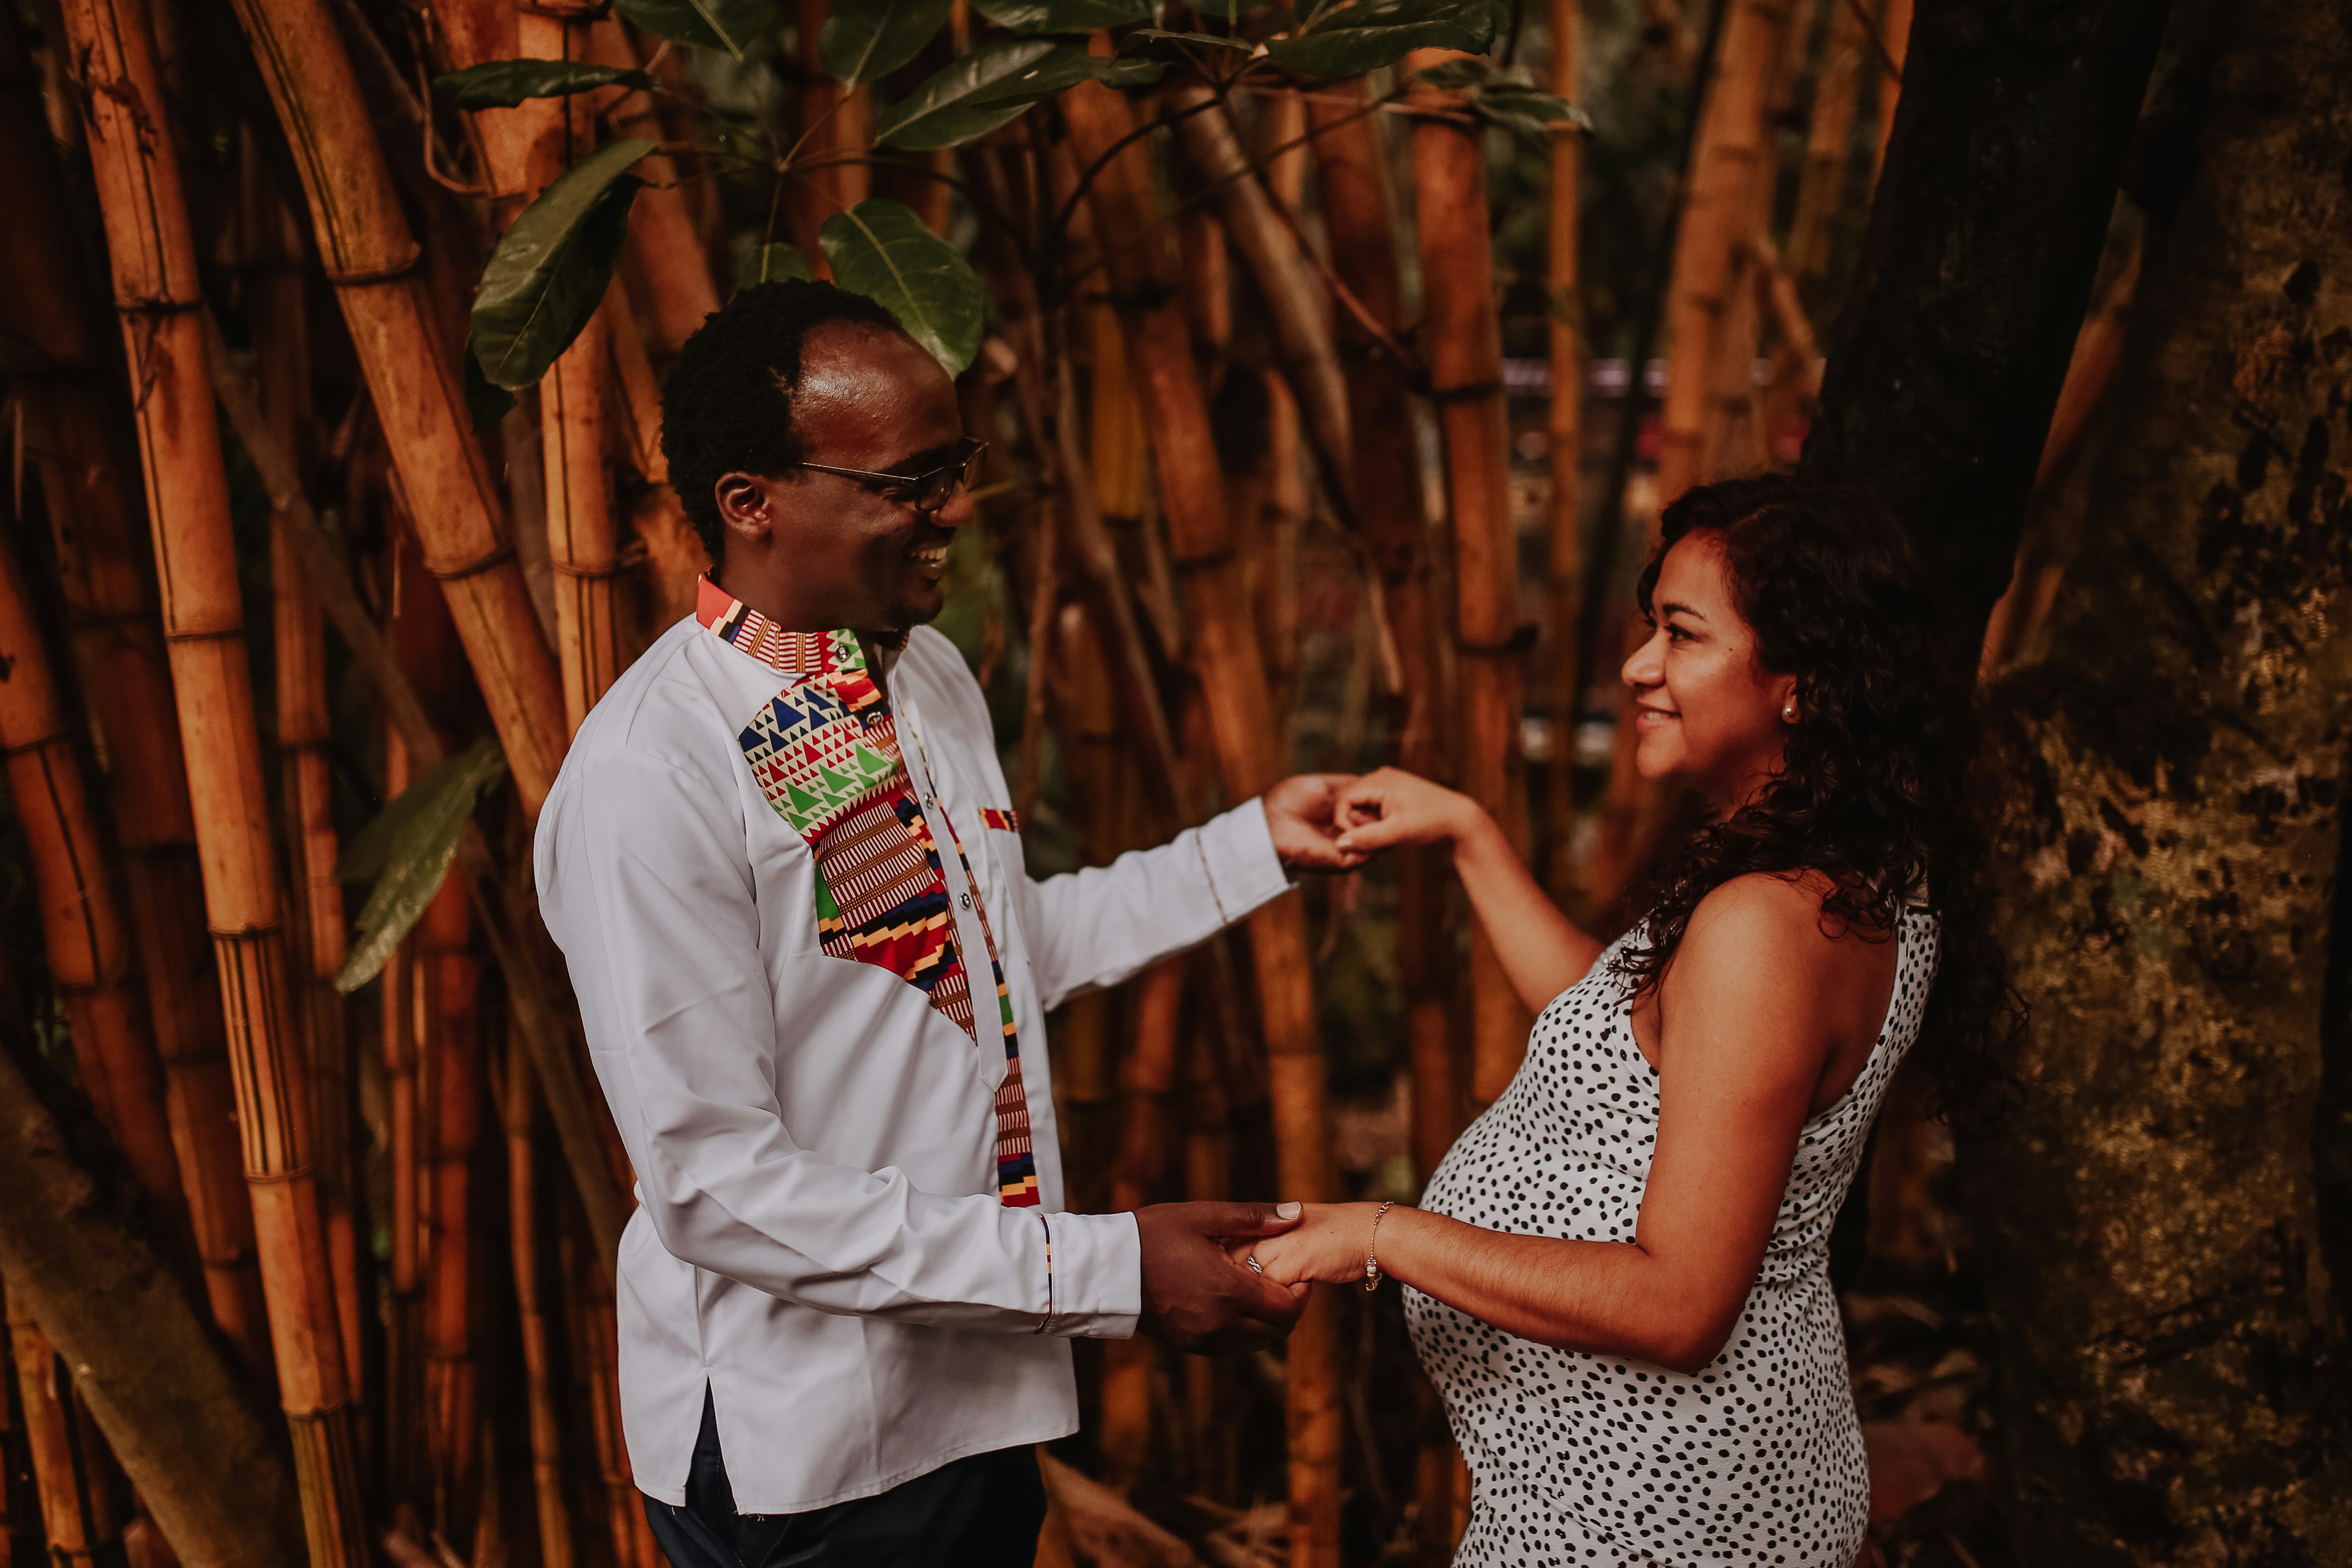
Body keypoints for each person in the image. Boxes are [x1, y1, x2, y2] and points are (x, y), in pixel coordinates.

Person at [534, 280, 1360, 1568]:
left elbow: (989, 960)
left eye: (954, 467)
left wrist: (1252, 845)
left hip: (971, 1390)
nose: (955, 512)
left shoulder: (915, 672)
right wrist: (1110, 1271)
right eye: (909, 482)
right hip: (803, 1444)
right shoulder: (656, 771)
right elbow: (711, 1185)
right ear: (750, 500)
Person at [1242, 478, 2019, 1567]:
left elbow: (1679, 1304)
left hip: (1653, 1512)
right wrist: (1469, 834)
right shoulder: (1841, 876)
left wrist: (1382, 1232)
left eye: (1681, 635)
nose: (1636, 666)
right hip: (1686, 1486)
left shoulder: (1764, 922)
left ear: (1798, 684)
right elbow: (1626, 1035)